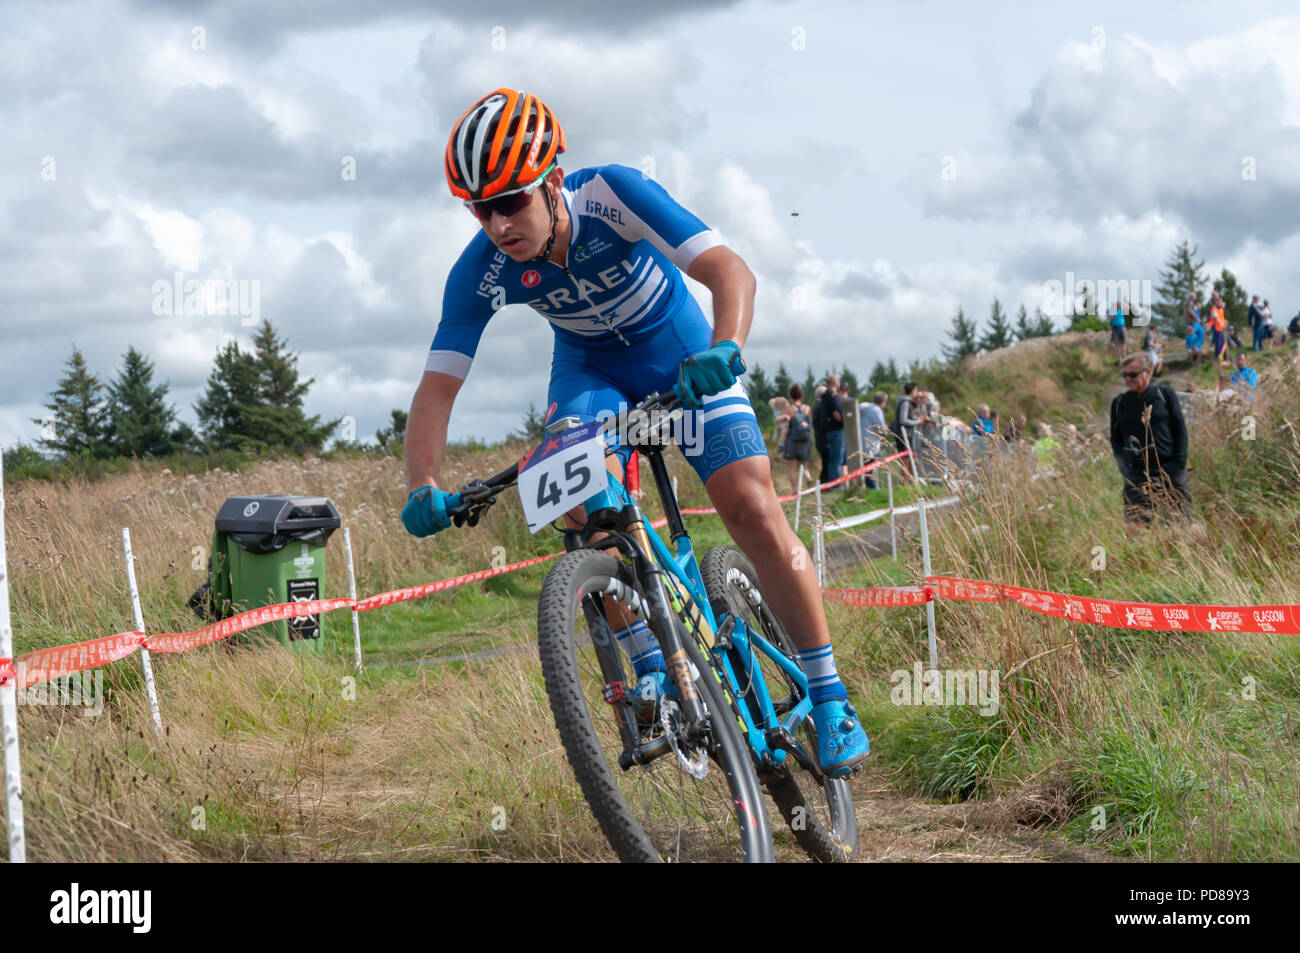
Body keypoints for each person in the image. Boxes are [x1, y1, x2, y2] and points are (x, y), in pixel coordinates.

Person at [403, 88, 868, 773]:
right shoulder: (482, 270)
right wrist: (423, 483)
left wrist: (726, 345)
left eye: (510, 201)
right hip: (592, 374)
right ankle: (655, 664)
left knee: (751, 506)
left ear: (553, 182)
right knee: (571, 492)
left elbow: (727, 269)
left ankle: (829, 695)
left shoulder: (612, 195)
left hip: (682, 353)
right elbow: (437, 386)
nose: (496, 223)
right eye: (479, 208)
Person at [1110, 352, 1191, 524]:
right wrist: (1125, 470)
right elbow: (1115, 440)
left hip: (1170, 471)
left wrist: (1179, 463)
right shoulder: (1119, 403)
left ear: (1148, 372)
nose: (1127, 379)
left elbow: (1180, 430)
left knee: (1182, 526)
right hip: (1137, 476)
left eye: (1132, 374)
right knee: (1136, 531)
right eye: (1124, 375)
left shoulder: (1165, 395)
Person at [780, 384, 813, 493]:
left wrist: (781, 444)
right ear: (801, 396)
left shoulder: (788, 409)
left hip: (792, 441)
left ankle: (795, 490)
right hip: (806, 440)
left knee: (792, 466)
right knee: (803, 464)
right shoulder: (807, 408)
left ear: (790, 396)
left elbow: (783, 426)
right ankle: (808, 477)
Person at [820, 372, 846, 487]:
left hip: (828, 431)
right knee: (837, 458)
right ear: (835, 382)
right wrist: (844, 421)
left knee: (833, 458)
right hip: (837, 430)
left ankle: (833, 483)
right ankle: (837, 485)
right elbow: (836, 413)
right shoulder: (834, 396)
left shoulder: (824, 396)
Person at [859, 390, 889, 489]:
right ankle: (871, 488)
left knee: (864, 466)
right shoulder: (876, 410)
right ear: (883, 402)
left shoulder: (864, 408)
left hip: (861, 441)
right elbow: (882, 429)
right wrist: (887, 430)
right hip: (871, 443)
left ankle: (867, 486)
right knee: (870, 466)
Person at [812, 384, 830, 485]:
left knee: (825, 462)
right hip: (823, 439)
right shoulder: (821, 406)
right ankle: (824, 484)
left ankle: (823, 484)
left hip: (819, 438)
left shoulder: (816, 405)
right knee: (826, 462)